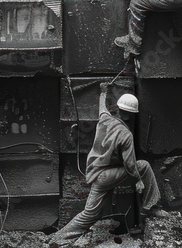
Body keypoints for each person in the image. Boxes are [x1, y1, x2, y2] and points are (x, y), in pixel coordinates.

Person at [51, 86, 165, 246]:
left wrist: (103, 91)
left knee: (90, 213)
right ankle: (150, 206)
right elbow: (130, 164)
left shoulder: (104, 119)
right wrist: (138, 180)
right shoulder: (126, 135)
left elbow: (102, 107)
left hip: (96, 175)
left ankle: (57, 239)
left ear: (118, 108)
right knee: (144, 165)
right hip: (107, 176)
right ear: (132, 115)